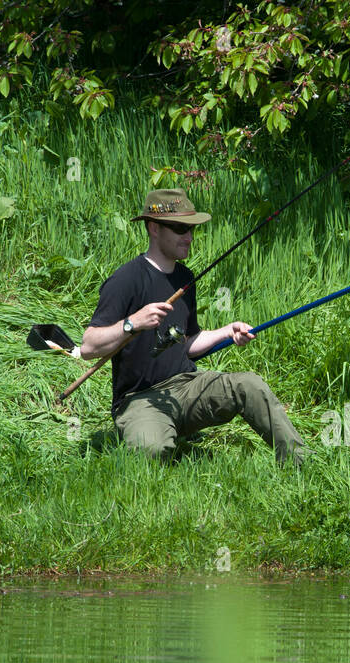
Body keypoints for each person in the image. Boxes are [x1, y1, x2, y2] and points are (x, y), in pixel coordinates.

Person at [80, 188, 310, 467]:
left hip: (187, 387)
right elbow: (89, 347)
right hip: (139, 399)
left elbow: (186, 343)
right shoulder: (126, 279)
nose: (188, 237)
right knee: (151, 450)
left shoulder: (184, 277)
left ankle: (301, 465)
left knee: (250, 385)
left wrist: (227, 331)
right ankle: (157, 434)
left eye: (191, 229)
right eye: (180, 228)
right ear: (153, 228)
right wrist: (133, 323)